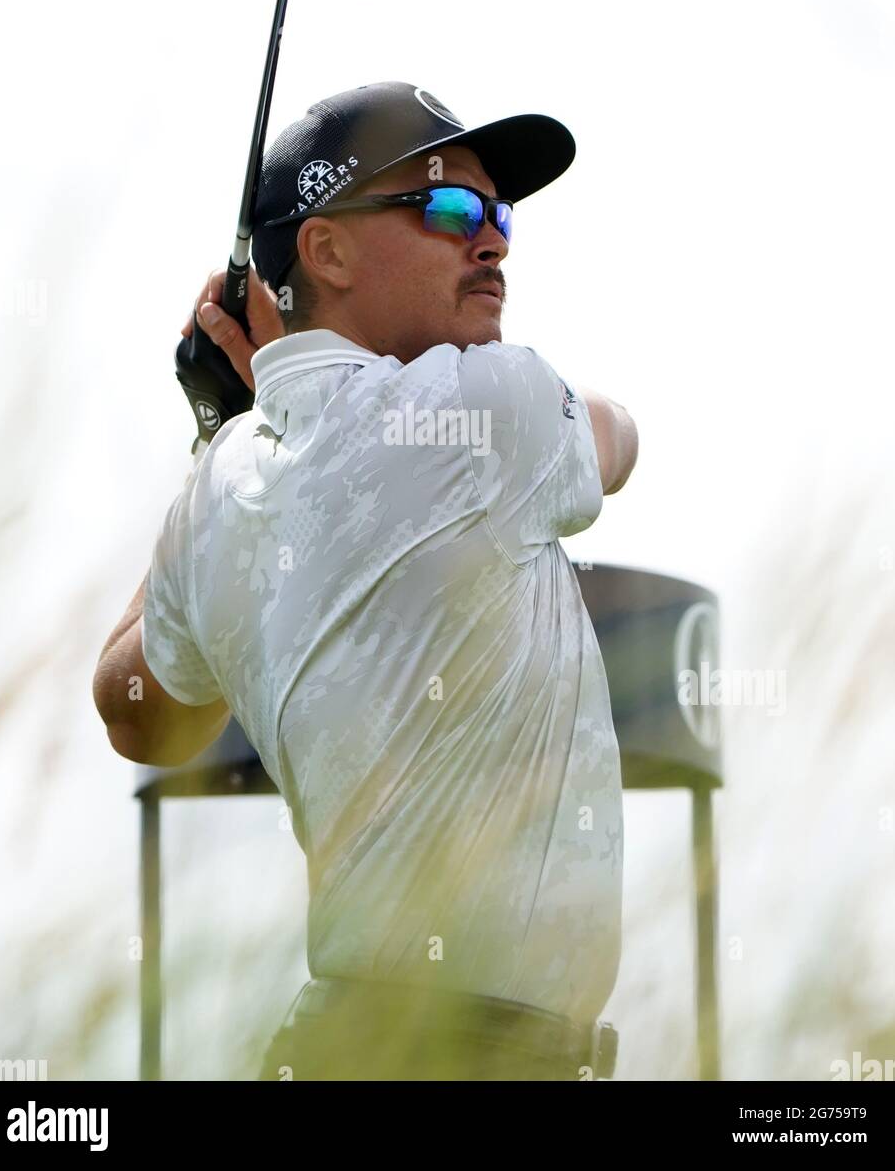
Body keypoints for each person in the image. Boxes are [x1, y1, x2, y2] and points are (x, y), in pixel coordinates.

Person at [92, 81, 638, 1081]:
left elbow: (138, 713)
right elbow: (619, 440)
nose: (493, 241)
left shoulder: (220, 489)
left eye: (497, 214)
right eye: (445, 207)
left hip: (348, 1044)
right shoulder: (498, 404)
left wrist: (215, 437)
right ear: (327, 250)